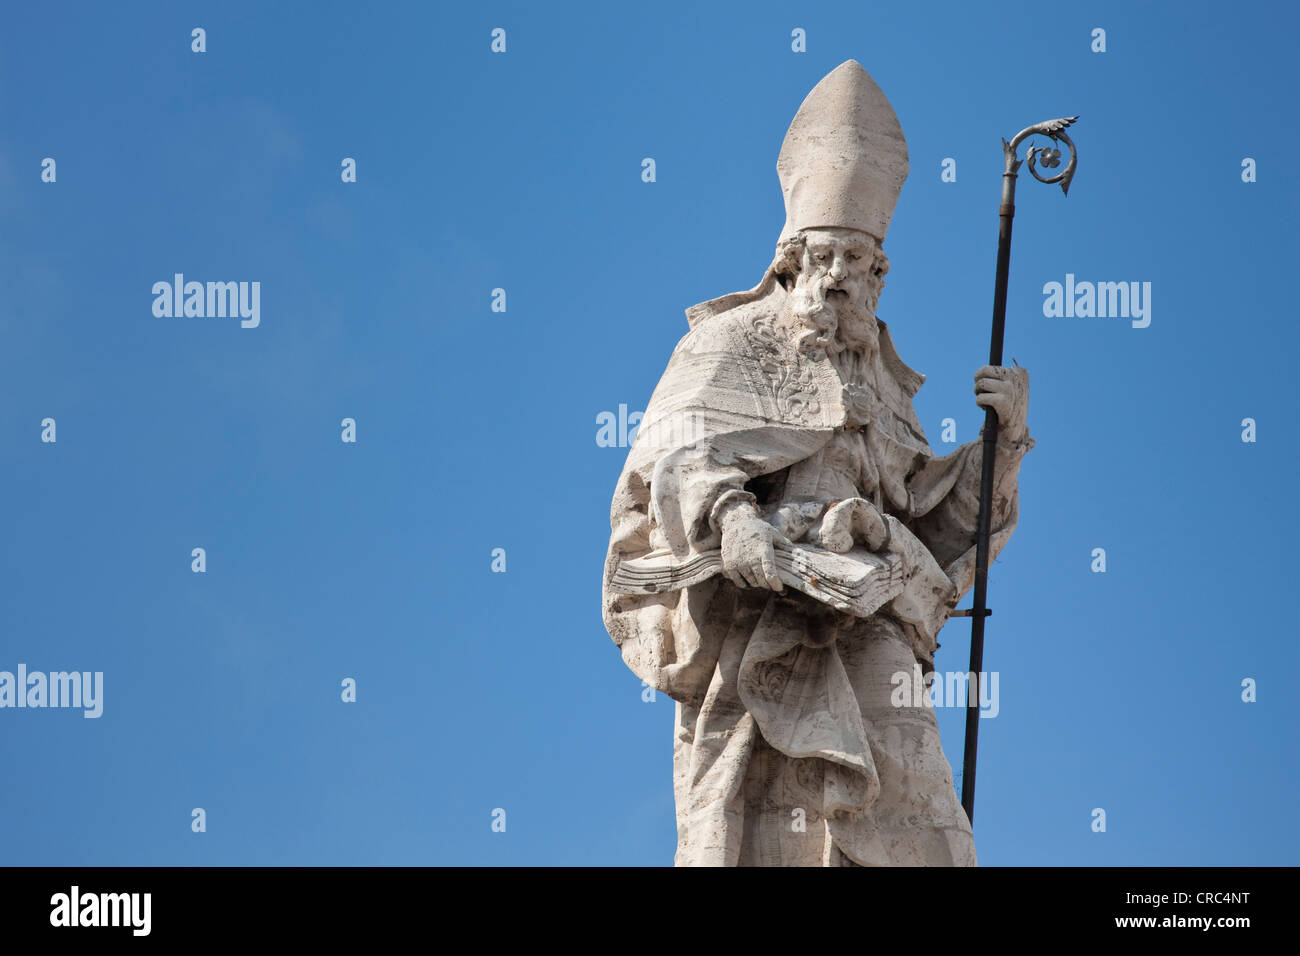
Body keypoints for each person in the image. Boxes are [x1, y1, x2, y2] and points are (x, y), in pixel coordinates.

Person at [601, 60, 1033, 866]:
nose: (839, 281)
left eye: (858, 266)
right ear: (791, 262)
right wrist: (735, 520)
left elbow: (940, 533)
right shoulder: (726, 346)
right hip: (761, 627)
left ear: (880, 277)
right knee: (762, 831)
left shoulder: (886, 391)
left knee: (926, 818)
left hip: (872, 621)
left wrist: (1000, 444)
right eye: (825, 259)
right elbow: (669, 460)